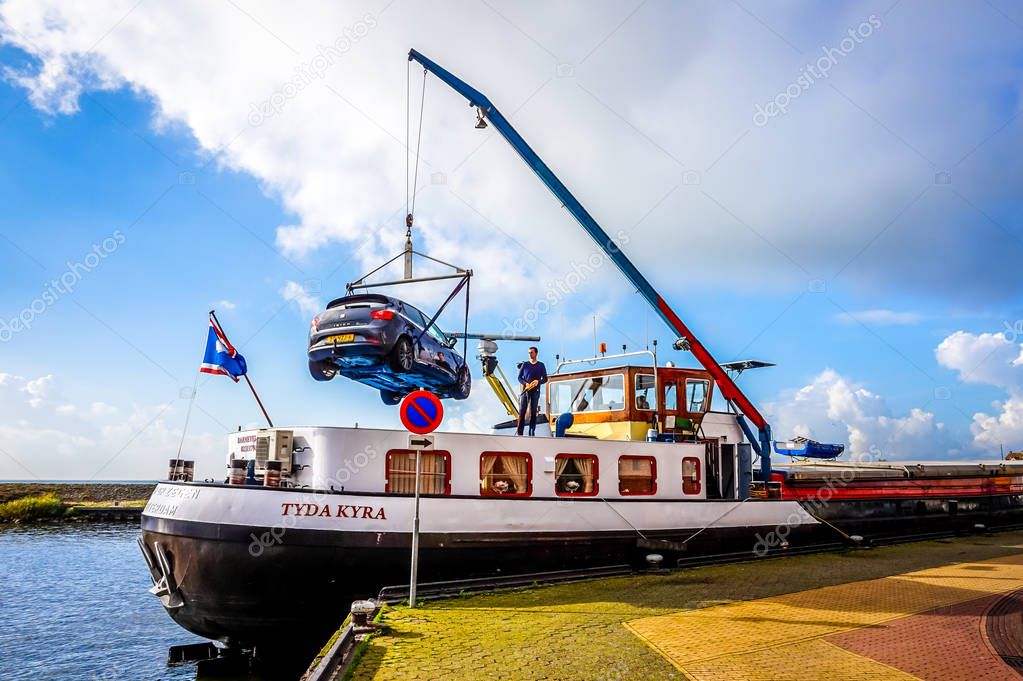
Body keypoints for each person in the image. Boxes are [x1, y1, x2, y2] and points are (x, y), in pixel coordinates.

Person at [516, 346, 548, 436]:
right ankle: (520, 433)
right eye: (529, 353)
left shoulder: (541, 365)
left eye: (532, 352)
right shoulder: (525, 364)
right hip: (525, 391)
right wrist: (525, 383)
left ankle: (532, 431)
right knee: (522, 411)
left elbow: (545, 379)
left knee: (533, 411)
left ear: (536, 353)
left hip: (536, 391)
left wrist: (538, 382)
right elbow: (519, 377)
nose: (530, 354)